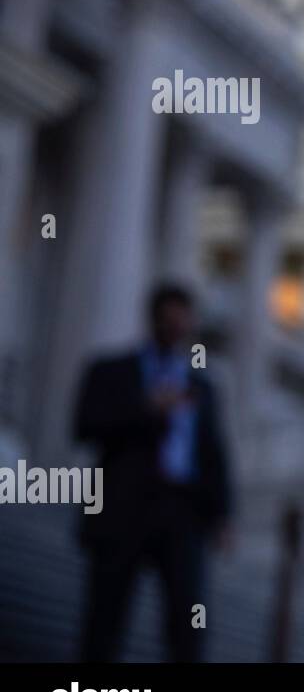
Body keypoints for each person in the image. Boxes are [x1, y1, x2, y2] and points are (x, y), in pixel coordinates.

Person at [74, 282, 232, 662]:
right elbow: (84, 426)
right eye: (170, 317)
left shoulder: (201, 386)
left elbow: (215, 453)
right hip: (122, 509)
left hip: (182, 513)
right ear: (154, 318)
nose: (177, 326)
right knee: (105, 618)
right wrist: (145, 409)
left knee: (186, 621)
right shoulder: (112, 370)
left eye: (184, 318)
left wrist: (224, 514)